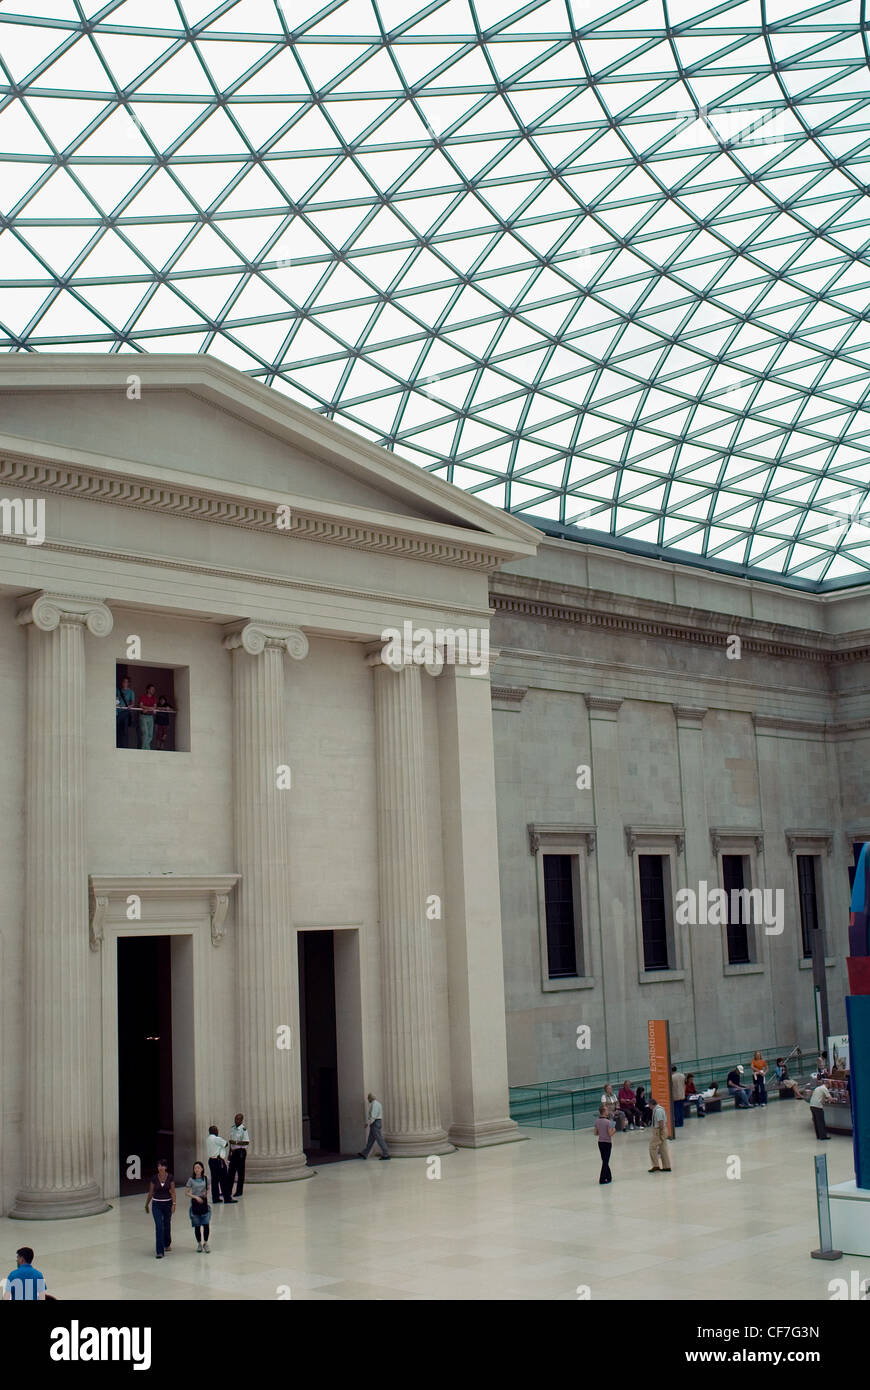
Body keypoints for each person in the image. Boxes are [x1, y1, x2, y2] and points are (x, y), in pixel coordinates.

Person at [145, 1161, 175, 1259]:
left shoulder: (170, 1177)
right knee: (159, 1226)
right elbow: (150, 1192)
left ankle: (167, 1243)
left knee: (167, 1224)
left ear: (165, 1167)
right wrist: (146, 1204)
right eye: (158, 1165)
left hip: (167, 1203)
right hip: (156, 1204)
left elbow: (173, 1192)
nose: (160, 1167)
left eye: (162, 1165)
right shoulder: (154, 1178)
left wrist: (174, 1204)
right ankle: (159, 1251)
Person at [186, 1162, 211, 1253]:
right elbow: (187, 1192)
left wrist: (206, 1193)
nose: (197, 1169)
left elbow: (208, 1187)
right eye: (195, 1168)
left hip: (204, 1203)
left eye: (198, 1168)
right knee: (197, 1225)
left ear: (202, 1169)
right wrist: (195, 1197)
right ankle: (199, 1243)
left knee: (206, 1224)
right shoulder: (191, 1180)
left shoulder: (206, 1178)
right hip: (195, 1204)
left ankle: (206, 1243)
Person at [207, 1125, 235, 1202]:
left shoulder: (208, 1139)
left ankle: (215, 1198)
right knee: (224, 1179)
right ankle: (227, 1198)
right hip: (219, 1161)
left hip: (211, 1161)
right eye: (217, 1130)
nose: (218, 1131)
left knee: (214, 1180)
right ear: (214, 1131)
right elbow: (226, 1144)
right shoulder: (217, 1139)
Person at [358, 1092, 391, 1159]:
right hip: (376, 1123)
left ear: (370, 1098)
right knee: (370, 1140)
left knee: (379, 1139)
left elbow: (373, 1116)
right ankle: (365, 1153)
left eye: (368, 1098)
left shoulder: (375, 1104)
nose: (368, 1100)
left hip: (375, 1123)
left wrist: (368, 1124)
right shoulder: (377, 1103)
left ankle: (386, 1154)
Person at [228, 1113, 249, 1197]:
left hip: (240, 1152)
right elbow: (230, 1142)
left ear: (241, 1120)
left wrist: (236, 1142)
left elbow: (246, 1141)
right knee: (230, 1172)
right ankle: (228, 1190)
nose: (236, 1121)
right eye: (235, 1119)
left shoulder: (243, 1130)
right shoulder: (233, 1128)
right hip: (233, 1151)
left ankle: (239, 1191)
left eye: (238, 1119)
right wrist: (229, 1153)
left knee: (240, 1173)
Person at [648, 1097, 672, 1172]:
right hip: (662, 1130)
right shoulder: (660, 1109)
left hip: (658, 1131)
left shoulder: (657, 1111)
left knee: (652, 1147)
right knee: (663, 1148)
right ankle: (666, 1166)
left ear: (652, 1105)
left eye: (649, 1105)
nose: (649, 1107)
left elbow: (661, 1122)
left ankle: (655, 1165)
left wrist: (661, 1133)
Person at [593, 1105, 615, 1184]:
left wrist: (601, 1131)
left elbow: (595, 1133)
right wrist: (614, 1129)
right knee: (605, 1161)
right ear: (604, 1112)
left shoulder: (597, 1121)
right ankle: (602, 1178)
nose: (608, 1111)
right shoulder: (608, 1122)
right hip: (607, 1143)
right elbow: (610, 1134)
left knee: (604, 1160)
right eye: (607, 1110)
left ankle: (609, 1176)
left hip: (600, 1142)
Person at [117, 675, 135, 748]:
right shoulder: (118, 690)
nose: (125, 683)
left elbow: (133, 703)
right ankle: (117, 745)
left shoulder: (131, 692)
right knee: (117, 729)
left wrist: (131, 706)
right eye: (124, 682)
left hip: (125, 712)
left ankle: (124, 746)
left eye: (126, 682)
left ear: (128, 683)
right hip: (118, 712)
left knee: (124, 730)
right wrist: (117, 703)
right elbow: (115, 699)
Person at [139, 684, 157, 750]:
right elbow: (141, 705)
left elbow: (155, 706)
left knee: (150, 735)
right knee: (145, 733)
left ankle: (146, 748)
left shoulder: (154, 698)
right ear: (148, 690)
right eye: (152, 689)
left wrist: (148, 709)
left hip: (150, 717)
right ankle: (145, 749)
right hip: (143, 716)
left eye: (154, 689)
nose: (153, 691)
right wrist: (150, 708)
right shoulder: (143, 696)